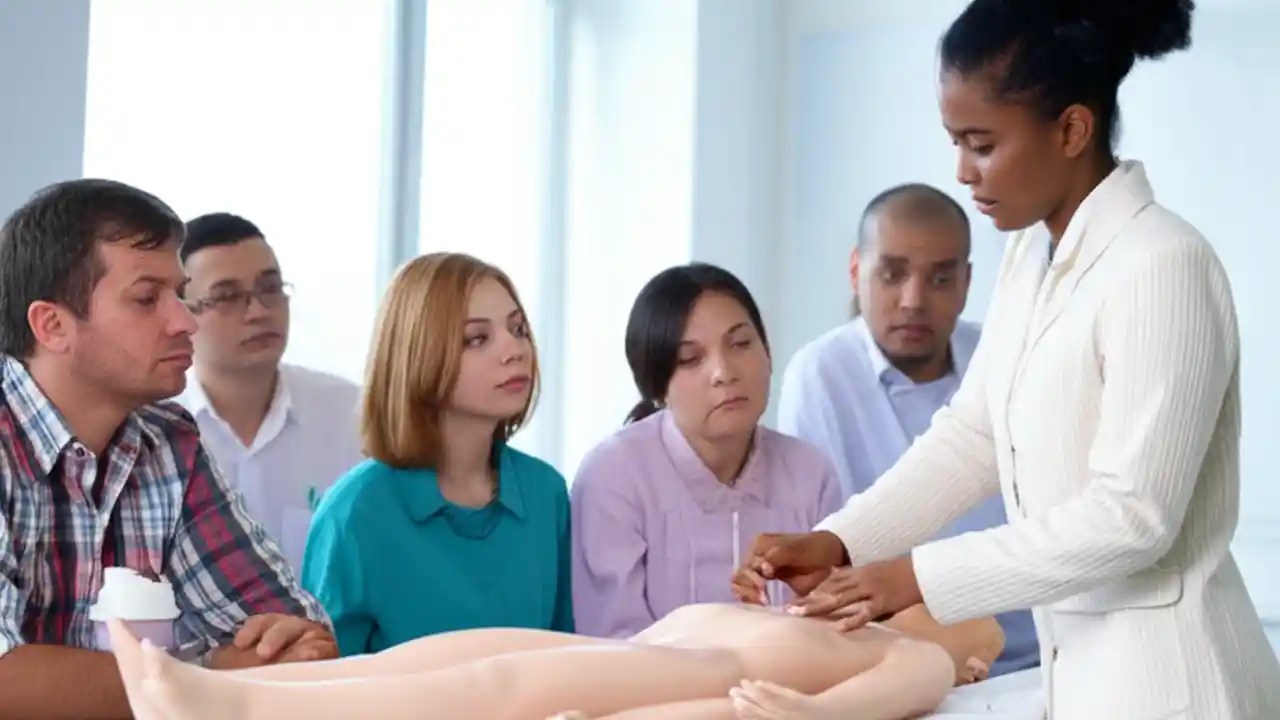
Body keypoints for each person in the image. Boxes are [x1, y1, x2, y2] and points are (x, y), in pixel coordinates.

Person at [735, 1, 1280, 718]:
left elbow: (1132, 518)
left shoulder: (1161, 264)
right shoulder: (1030, 257)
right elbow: (973, 437)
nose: (962, 171)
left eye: (982, 144)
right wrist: (840, 541)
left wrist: (914, 577)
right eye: (956, 142)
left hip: (1176, 687)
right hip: (1078, 680)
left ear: (1072, 129)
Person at [0, 179, 336, 719]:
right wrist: (204, 673)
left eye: (179, 294)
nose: (186, 320)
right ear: (52, 325)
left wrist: (208, 675)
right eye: (146, 298)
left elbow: (295, 642)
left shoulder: (168, 439)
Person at [776, 183, 1038, 676]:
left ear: (966, 282)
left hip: (1036, 648)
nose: (914, 301)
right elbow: (832, 550)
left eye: (940, 279)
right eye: (892, 274)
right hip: (902, 655)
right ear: (856, 271)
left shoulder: (1001, 358)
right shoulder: (820, 375)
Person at [302, 253, 572, 656]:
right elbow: (323, 679)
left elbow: (569, 655)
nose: (515, 350)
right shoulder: (356, 511)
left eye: (518, 329)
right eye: (477, 339)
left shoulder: (545, 491)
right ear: (418, 356)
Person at [108, 601, 1005, 720]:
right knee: (442, 652)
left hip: (697, 669)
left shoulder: (916, 654)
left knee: (492, 685)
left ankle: (244, 711)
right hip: (652, 645)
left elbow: (911, 682)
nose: (920, 593)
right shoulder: (843, 615)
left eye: (958, 608)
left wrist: (819, 713)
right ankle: (225, 684)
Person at [571, 264, 843, 638]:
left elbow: (839, 628)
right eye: (690, 359)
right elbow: (613, 645)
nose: (723, 372)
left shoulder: (810, 472)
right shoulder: (613, 477)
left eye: (740, 344)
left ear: (767, 352)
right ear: (656, 386)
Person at [177, 212, 363, 571]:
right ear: (182, 314)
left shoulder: (353, 416)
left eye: (270, 288)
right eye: (228, 297)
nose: (259, 312)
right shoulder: (151, 430)